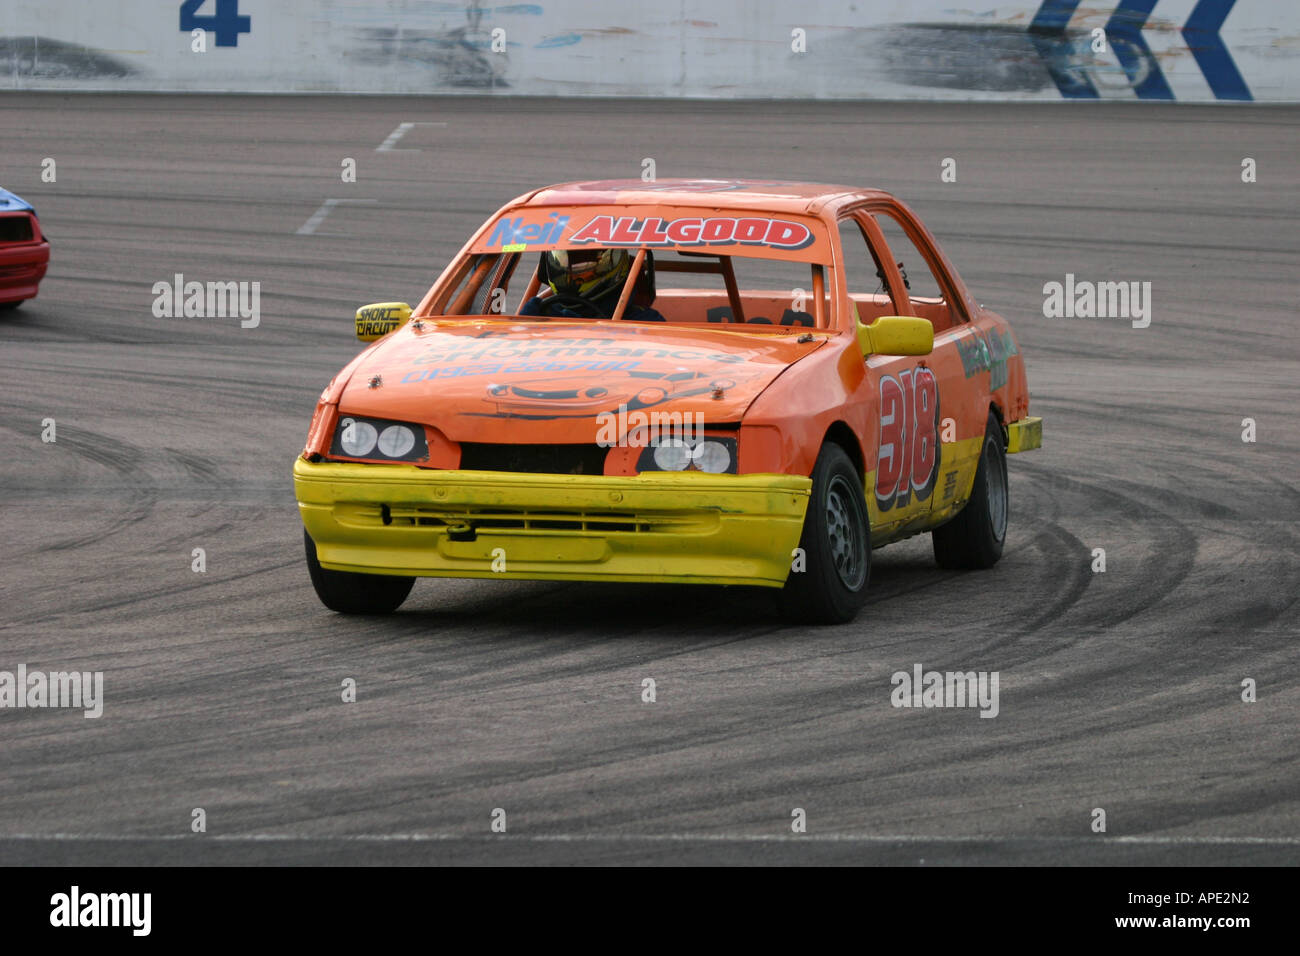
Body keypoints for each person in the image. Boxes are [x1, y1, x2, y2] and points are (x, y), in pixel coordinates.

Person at [520, 248, 664, 321]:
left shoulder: (644, 321)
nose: (572, 276)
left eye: (583, 268)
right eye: (567, 266)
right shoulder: (538, 312)